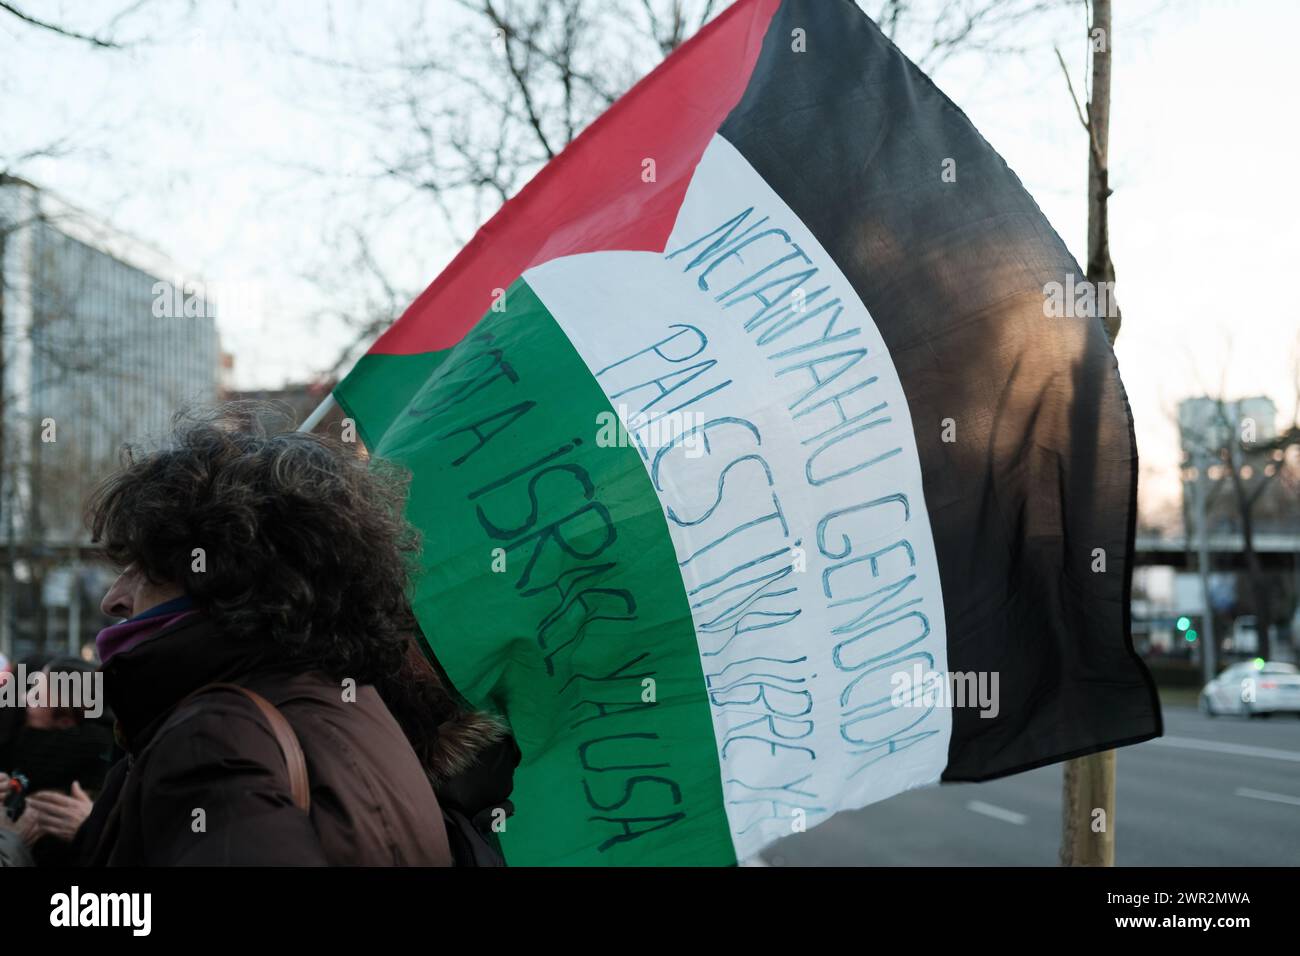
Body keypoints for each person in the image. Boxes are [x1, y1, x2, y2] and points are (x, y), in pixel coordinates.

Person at [70, 404, 514, 866]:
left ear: (229, 578)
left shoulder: (217, 739)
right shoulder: (356, 709)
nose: (114, 599)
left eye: (143, 570)